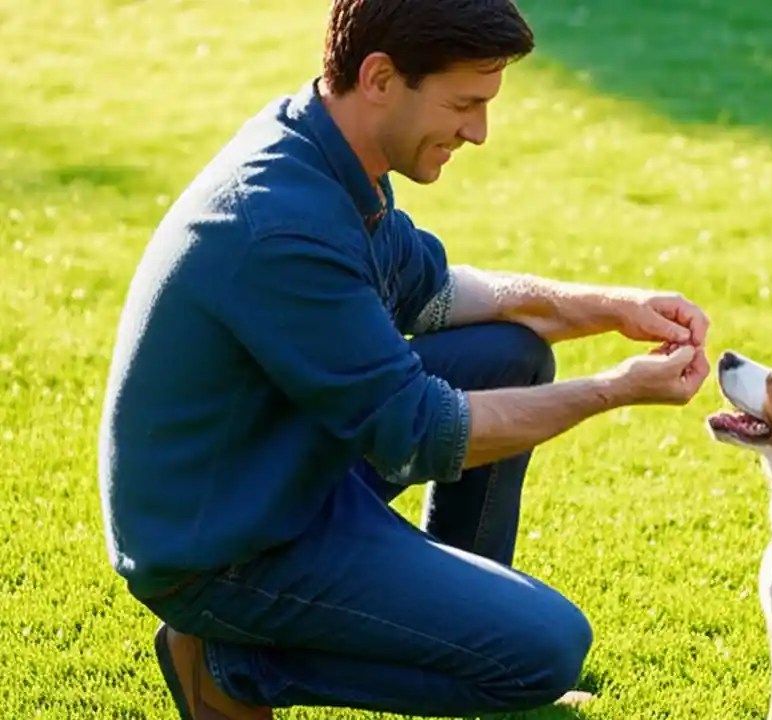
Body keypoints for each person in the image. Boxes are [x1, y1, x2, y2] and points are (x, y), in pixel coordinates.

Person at [96, 0, 712, 717]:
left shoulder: (328, 152)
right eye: (464, 104)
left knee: (509, 351)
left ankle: (455, 626)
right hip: (223, 548)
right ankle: (233, 659)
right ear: (381, 77)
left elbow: (437, 291)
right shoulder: (281, 225)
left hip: (286, 468)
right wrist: (613, 390)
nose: (478, 132)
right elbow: (424, 430)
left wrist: (612, 307)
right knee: (547, 649)